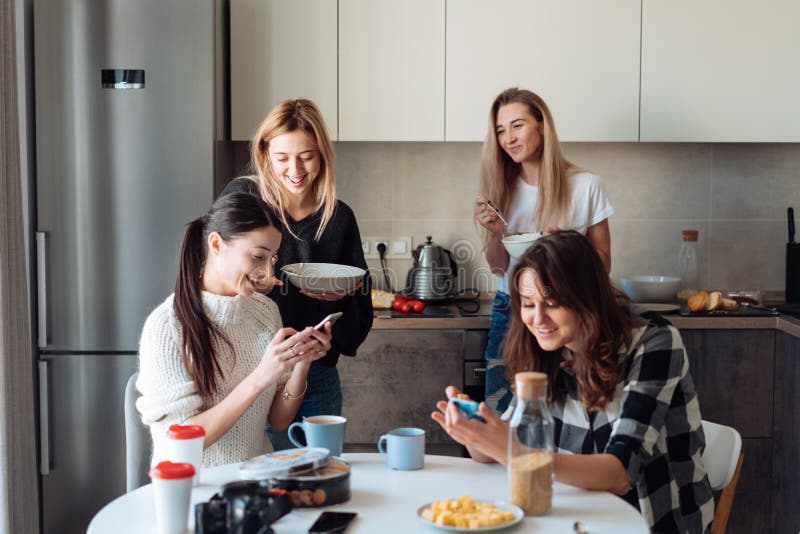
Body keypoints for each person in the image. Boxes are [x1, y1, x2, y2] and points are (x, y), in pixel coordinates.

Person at [432, 231, 714, 533]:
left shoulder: (655, 341)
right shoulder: (545, 350)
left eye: (552, 303)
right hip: (578, 516)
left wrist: (514, 452)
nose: (538, 318)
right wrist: (475, 429)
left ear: (586, 297)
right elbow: (495, 450)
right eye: (528, 304)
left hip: (655, 520)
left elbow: (620, 474)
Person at [136, 193, 333, 467]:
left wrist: (302, 364)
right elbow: (178, 442)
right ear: (216, 244)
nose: (266, 272)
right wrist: (260, 376)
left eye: (272, 259)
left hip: (256, 483)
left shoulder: (265, 311)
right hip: (195, 490)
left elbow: (277, 420)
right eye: (257, 257)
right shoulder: (166, 327)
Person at [221, 98, 373, 450]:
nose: (296, 169)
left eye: (307, 155)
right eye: (282, 158)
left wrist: (344, 296)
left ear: (322, 155)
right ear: (264, 154)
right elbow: (211, 276)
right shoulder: (243, 199)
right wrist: (248, 283)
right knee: (258, 477)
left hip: (314, 374)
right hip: (247, 370)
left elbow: (361, 302)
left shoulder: (338, 218)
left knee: (316, 477)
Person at [474, 88, 614, 414]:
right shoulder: (500, 190)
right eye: (500, 130)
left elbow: (603, 265)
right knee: (502, 410)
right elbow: (499, 269)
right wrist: (495, 235)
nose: (508, 138)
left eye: (517, 125)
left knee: (569, 409)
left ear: (542, 126)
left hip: (570, 312)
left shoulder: (586, 185)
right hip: (512, 308)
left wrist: (568, 246)